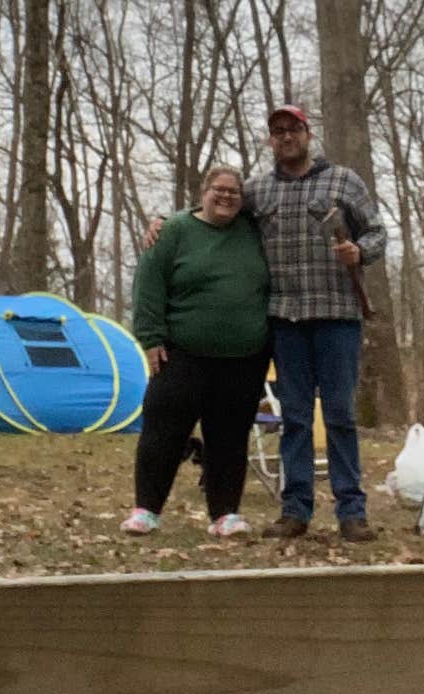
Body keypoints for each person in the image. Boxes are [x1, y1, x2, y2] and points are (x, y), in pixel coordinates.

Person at [250, 103, 386, 543]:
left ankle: (352, 512)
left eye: (293, 129)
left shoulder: (344, 181)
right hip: (285, 322)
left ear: (308, 134)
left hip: (338, 318)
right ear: (271, 140)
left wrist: (359, 252)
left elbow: (378, 232)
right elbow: (213, 209)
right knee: (295, 419)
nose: (286, 137)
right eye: (277, 131)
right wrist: (164, 222)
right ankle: (295, 510)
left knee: (341, 416)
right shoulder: (258, 191)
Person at [121, 164, 270, 537]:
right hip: (181, 353)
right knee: (164, 431)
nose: (225, 197)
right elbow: (148, 285)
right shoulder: (173, 231)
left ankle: (225, 514)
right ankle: (146, 510)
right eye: (218, 190)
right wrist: (151, 338)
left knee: (230, 437)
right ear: (203, 192)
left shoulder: (254, 231)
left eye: (234, 192)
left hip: (243, 358)